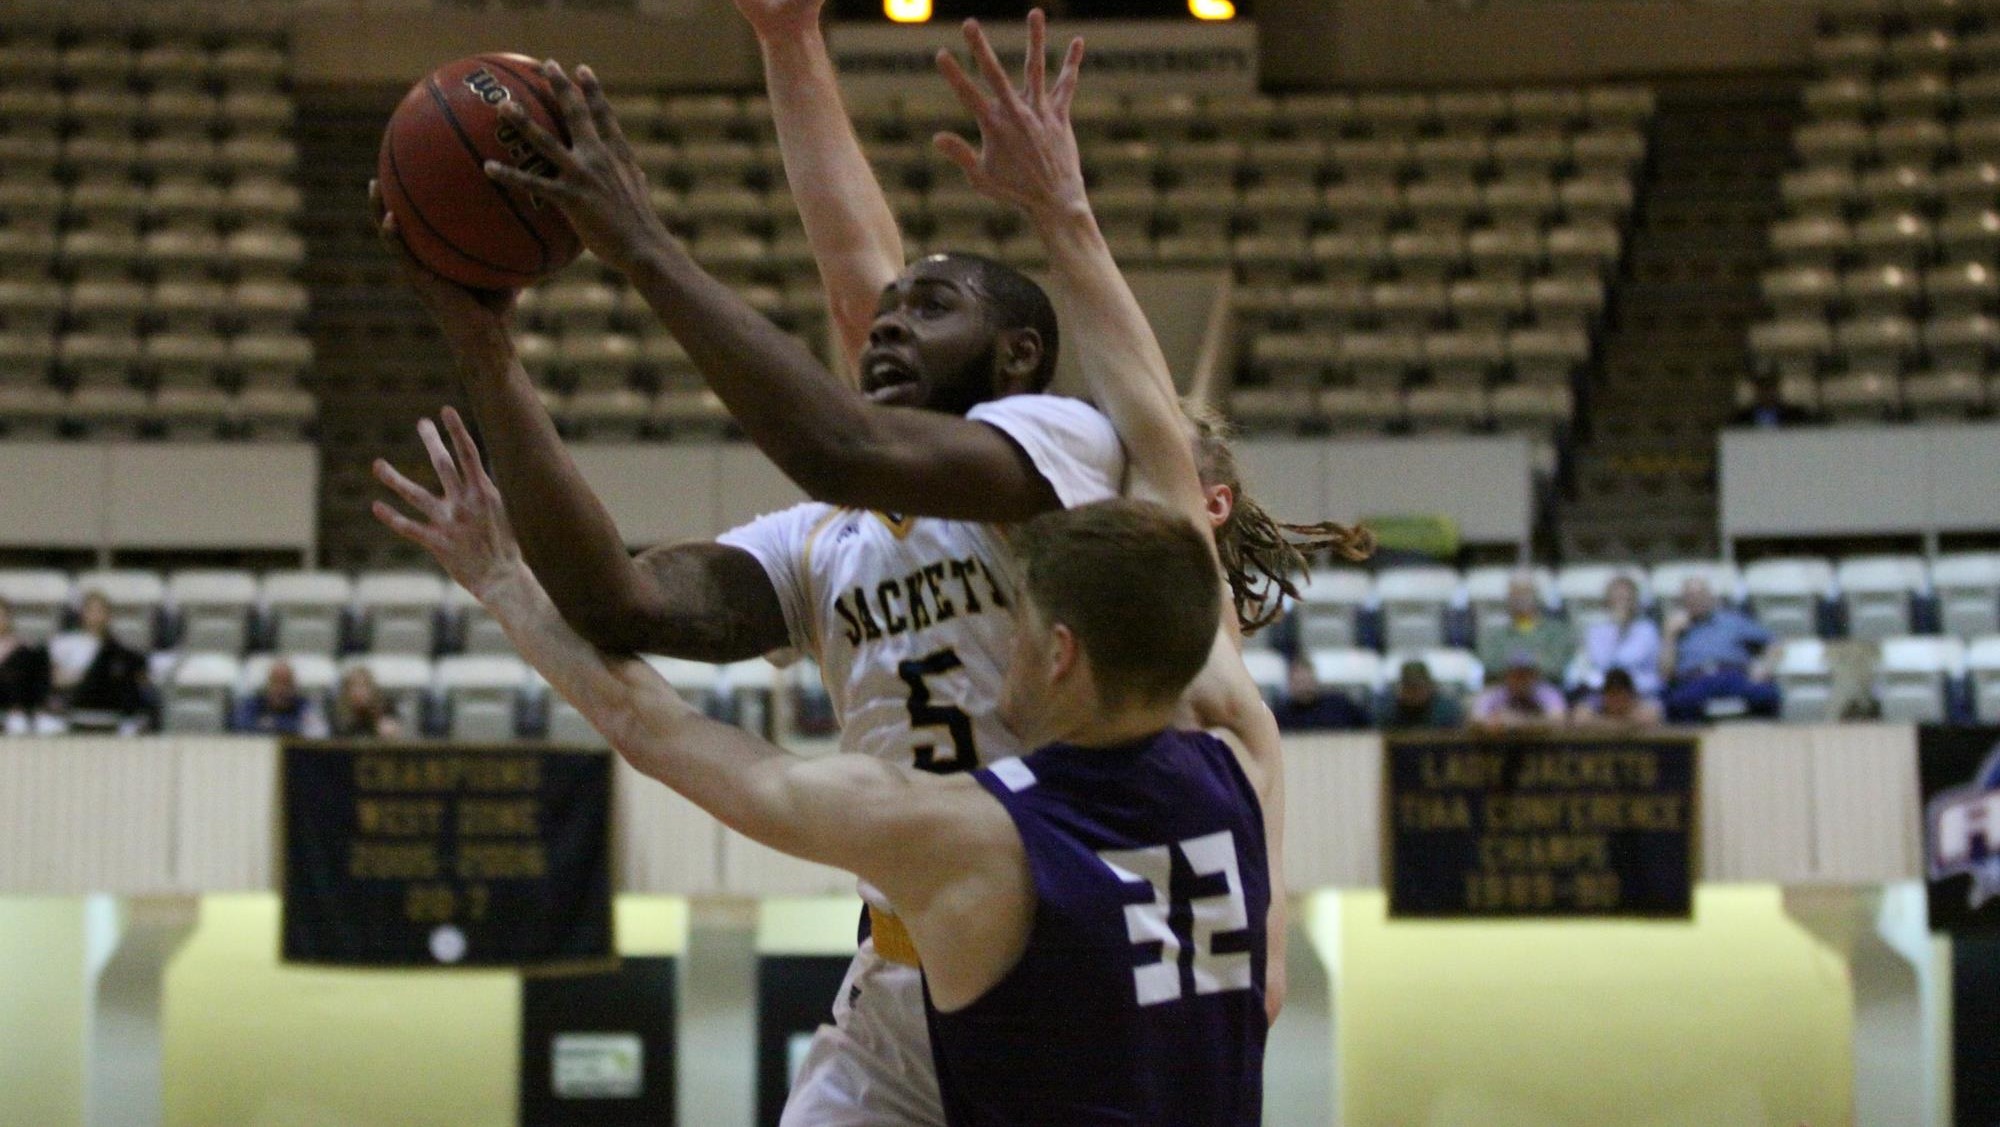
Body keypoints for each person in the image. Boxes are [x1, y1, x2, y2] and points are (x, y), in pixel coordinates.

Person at [372, 15, 1360, 1123]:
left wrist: (642, 238)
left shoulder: (1058, 454)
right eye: (884, 318)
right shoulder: (819, 539)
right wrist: (484, 351)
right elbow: (616, 601)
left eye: (927, 310)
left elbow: (842, 416)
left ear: (1016, 359)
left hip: (1073, 950)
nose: (884, 328)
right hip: (905, 970)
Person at [377, 411, 1270, 1125]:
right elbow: (1169, 474)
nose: (1005, 645)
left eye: (1021, 626)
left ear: (1062, 653)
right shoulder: (1243, 767)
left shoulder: (966, 834)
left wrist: (504, 579)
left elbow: (652, 726)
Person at [1659, 576, 1780, 722]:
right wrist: (1670, 636)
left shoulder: (1732, 621)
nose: (1696, 600)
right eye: (1690, 596)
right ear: (1683, 601)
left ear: (1710, 597)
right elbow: (1666, 674)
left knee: (1767, 694)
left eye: (1701, 595)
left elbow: (1774, 642)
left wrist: (1765, 666)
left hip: (1732, 675)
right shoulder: (1675, 629)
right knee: (1675, 704)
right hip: (1696, 680)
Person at [49, 590, 153, 733]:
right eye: (92, 610)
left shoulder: (118, 651)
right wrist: (87, 677)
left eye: (101, 611)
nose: (96, 616)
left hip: (113, 709)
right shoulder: (65, 643)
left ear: (108, 615)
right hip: (76, 705)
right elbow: (55, 679)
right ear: (83, 614)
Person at [1571, 574, 1662, 699]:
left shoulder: (1647, 630)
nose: (1622, 604)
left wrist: (1623, 629)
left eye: (1626, 599)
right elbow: (1602, 662)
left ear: (1634, 601)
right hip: (1603, 691)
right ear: (1608, 601)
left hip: (1640, 691)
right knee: (1582, 714)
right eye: (1618, 598)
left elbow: (1632, 660)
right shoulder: (1596, 630)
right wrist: (1617, 632)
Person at [1476, 572, 1572, 684]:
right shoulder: (1495, 634)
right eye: (1515, 594)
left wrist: (1526, 666)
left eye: (1525, 593)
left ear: (1536, 595)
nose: (1520, 599)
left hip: (1544, 688)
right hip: (1504, 688)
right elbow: (1489, 664)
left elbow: (1557, 666)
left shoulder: (1555, 632)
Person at [1471, 649, 1568, 731]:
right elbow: (1476, 719)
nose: (1521, 680)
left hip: (1540, 745)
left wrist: (1517, 721)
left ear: (1535, 675)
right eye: (1515, 674)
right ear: (1506, 675)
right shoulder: (1495, 693)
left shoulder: (1546, 692)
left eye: (1525, 674)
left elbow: (1558, 719)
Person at [232, 658, 329, 738]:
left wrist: (272, 723)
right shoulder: (253, 703)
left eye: (286, 683)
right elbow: (240, 725)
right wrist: (289, 725)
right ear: (268, 684)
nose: (281, 689)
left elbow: (318, 731)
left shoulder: (304, 705)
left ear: (294, 686)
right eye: (276, 682)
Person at [1273, 656, 1370, 731]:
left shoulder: (1339, 706)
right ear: (1290, 684)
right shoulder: (1282, 717)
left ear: (1314, 680)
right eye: (1298, 682)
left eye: (1306, 680)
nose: (1303, 686)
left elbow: (1368, 729)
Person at [0, 597, 53, 734]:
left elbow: (35, 681)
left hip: (17, 711)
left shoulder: (25, 651)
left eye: (1, 615)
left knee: (20, 724)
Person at [1374, 659, 1465, 730]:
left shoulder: (1447, 710)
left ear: (1430, 687)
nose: (1413, 693)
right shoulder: (1387, 711)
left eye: (1418, 687)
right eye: (1408, 687)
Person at [1569, 667, 1665, 730]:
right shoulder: (1596, 702)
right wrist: (1620, 725)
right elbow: (1580, 719)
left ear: (1630, 695)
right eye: (1612, 694)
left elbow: (1652, 717)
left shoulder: (1641, 703)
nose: (1616, 700)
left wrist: (1604, 724)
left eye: (1620, 694)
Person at [331, 666, 403, 739]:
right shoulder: (337, 715)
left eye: (363, 686)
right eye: (354, 687)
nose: (358, 692)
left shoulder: (385, 710)